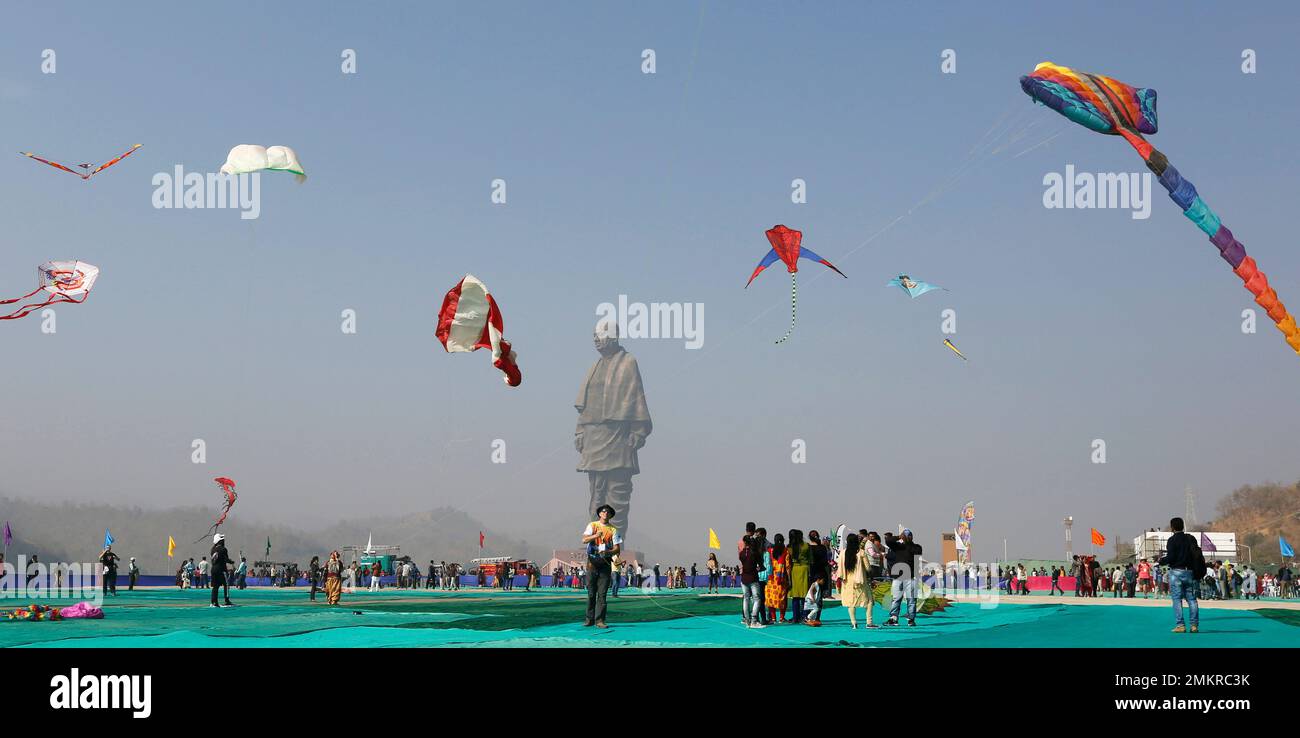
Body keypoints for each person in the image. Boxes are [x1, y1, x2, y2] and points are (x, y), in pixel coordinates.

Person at [1158, 517, 1202, 633]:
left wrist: (1161, 560)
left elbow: (1171, 557)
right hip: (1189, 572)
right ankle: (1194, 625)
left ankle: (1180, 625)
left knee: (1177, 599)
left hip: (1176, 572)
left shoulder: (1172, 540)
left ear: (1172, 527)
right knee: (1192, 599)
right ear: (1182, 526)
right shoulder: (1190, 538)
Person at [582, 504, 622, 628]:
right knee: (591, 593)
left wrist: (608, 553)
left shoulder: (614, 530)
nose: (605, 513)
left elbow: (617, 548)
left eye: (608, 512)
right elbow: (584, 540)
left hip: (605, 564)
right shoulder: (592, 525)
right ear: (599, 514)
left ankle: (600, 620)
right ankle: (589, 619)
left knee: (602, 594)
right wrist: (596, 536)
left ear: (610, 515)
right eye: (603, 511)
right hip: (592, 564)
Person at [885, 529, 922, 626]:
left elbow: (916, 552)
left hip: (911, 577)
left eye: (909, 536)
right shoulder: (898, 547)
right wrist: (898, 537)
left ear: (912, 537)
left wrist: (908, 542)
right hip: (898, 578)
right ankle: (893, 618)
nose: (908, 537)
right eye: (906, 536)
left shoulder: (916, 547)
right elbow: (888, 541)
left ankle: (911, 619)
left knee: (911, 599)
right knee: (896, 598)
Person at [839, 533, 875, 629]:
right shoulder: (861, 553)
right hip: (860, 581)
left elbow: (840, 569)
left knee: (851, 603)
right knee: (869, 601)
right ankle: (869, 623)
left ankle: (854, 623)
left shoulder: (843, 553)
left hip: (847, 582)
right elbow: (868, 568)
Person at [763, 533, 791, 623]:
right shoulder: (786, 551)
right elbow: (787, 566)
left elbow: (766, 563)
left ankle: (773, 618)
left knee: (771, 598)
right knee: (783, 598)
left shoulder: (770, 551)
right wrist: (790, 579)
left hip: (771, 579)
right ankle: (782, 618)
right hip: (781, 579)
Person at [739, 536, 764, 628]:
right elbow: (761, 565)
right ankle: (754, 620)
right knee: (756, 599)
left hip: (744, 579)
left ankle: (747, 620)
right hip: (753, 578)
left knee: (746, 598)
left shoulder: (741, 553)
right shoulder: (755, 552)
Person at [210, 534, 234, 608]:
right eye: (222, 540)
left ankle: (214, 602)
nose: (223, 542)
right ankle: (227, 601)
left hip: (213, 569)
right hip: (221, 569)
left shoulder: (212, 549)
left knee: (215, 586)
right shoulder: (223, 549)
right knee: (226, 585)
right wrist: (231, 562)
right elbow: (226, 559)